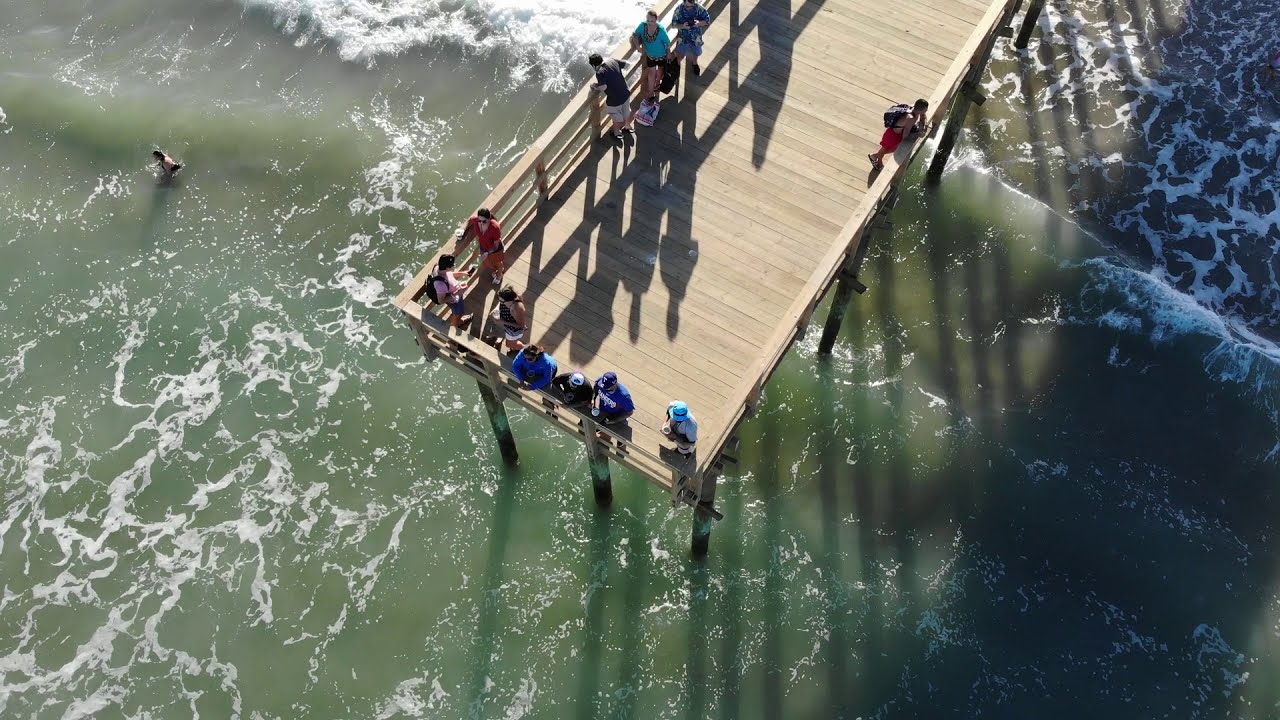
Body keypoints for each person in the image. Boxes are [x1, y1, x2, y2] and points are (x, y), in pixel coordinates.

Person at [868, 99, 929, 171]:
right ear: (920, 110)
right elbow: (906, 132)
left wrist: (925, 126)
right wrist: (903, 143)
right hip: (893, 135)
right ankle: (878, 161)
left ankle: (875, 156)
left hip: (898, 133)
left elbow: (923, 116)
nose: (926, 111)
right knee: (885, 148)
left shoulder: (914, 108)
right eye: (925, 110)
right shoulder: (910, 118)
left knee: (894, 149)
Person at [630, 10, 672, 103]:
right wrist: (638, 47)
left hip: (662, 55)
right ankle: (650, 92)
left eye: (652, 21)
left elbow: (667, 43)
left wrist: (669, 53)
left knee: (660, 70)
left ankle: (657, 83)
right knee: (651, 73)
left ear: (656, 20)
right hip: (650, 55)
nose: (649, 23)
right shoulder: (642, 25)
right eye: (648, 20)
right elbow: (635, 35)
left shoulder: (661, 29)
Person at [589, 53, 634, 140]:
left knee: (615, 115)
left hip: (614, 99)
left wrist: (594, 86)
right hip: (625, 92)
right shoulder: (612, 60)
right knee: (626, 111)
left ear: (594, 65)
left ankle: (617, 133)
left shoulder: (599, 72)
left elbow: (603, 87)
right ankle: (628, 126)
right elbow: (627, 64)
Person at [458, 207, 505, 285]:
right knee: (488, 263)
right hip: (484, 247)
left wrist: (488, 252)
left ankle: (499, 274)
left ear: (489, 218)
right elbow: (470, 220)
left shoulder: (495, 227)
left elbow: (496, 244)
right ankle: (495, 270)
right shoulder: (477, 220)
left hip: (494, 249)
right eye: (480, 220)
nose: (481, 223)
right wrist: (463, 229)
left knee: (498, 263)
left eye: (484, 221)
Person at [429, 254, 473, 328]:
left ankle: (457, 318)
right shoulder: (440, 285)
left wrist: (462, 274)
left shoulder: (438, 267)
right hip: (454, 301)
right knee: (458, 313)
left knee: (458, 312)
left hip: (456, 293)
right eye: (452, 265)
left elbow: (449, 274)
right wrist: (458, 293)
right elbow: (441, 301)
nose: (454, 266)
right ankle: (457, 323)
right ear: (447, 268)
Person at [672, 0, 711, 77]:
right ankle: (677, 65)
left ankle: (694, 62)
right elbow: (673, 24)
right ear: (683, 2)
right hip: (683, 37)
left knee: (697, 52)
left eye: (692, 6)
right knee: (680, 53)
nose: (689, 8)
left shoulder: (699, 8)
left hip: (696, 37)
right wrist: (682, 26)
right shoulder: (678, 10)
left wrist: (699, 23)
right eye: (687, 6)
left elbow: (707, 20)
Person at [489, 285, 527, 352]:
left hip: (513, 330)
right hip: (506, 325)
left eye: (502, 301)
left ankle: (526, 349)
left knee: (509, 344)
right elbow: (500, 303)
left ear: (509, 300)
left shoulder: (516, 309)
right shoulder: (510, 298)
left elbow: (521, 326)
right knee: (510, 341)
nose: (500, 302)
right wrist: (497, 309)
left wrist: (502, 321)